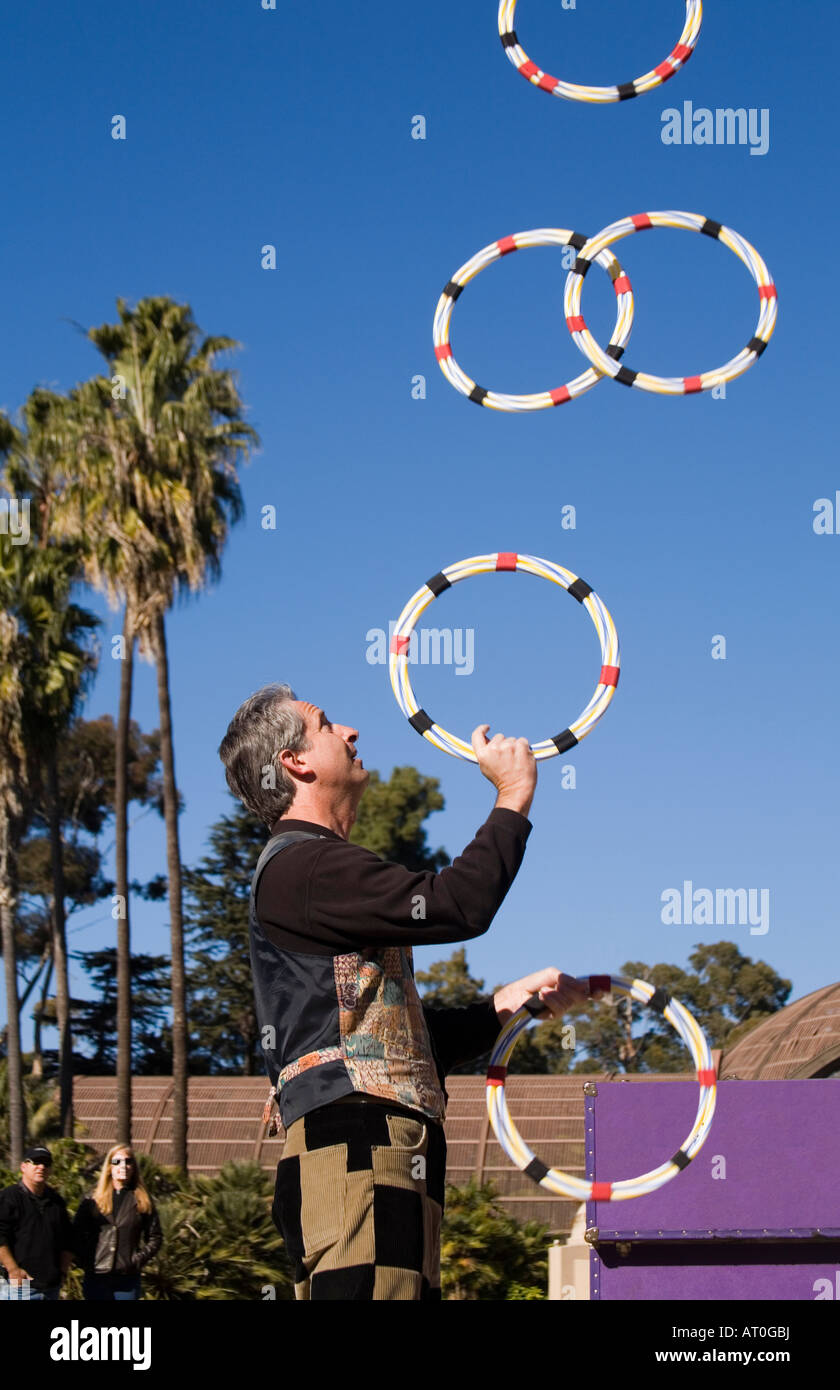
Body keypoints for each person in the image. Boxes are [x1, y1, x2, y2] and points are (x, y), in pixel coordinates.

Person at [219, 682, 587, 1301]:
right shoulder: (304, 867)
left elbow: (388, 1045)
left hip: (369, 1145)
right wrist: (513, 795)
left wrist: (502, 1007)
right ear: (296, 762)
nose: (351, 730)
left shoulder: (311, 870)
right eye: (326, 723)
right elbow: (457, 904)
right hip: (358, 1147)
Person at [72, 1144, 162, 1300]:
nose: (123, 1166)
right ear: (109, 1167)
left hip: (127, 1278)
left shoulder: (142, 1200)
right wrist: (86, 1260)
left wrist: (136, 1260)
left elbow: (155, 1237)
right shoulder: (92, 1199)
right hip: (97, 1277)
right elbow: (76, 1234)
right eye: (117, 1162)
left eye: (128, 1162)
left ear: (133, 1167)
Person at [0, 1145, 74, 1300]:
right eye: (36, 1162)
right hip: (20, 1287)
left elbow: (67, 1240)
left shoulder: (56, 1202)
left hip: (51, 1288)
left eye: (46, 1164)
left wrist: (61, 1272)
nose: (41, 1167)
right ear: (24, 1167)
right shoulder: (9, 1197)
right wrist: (13, 1269)